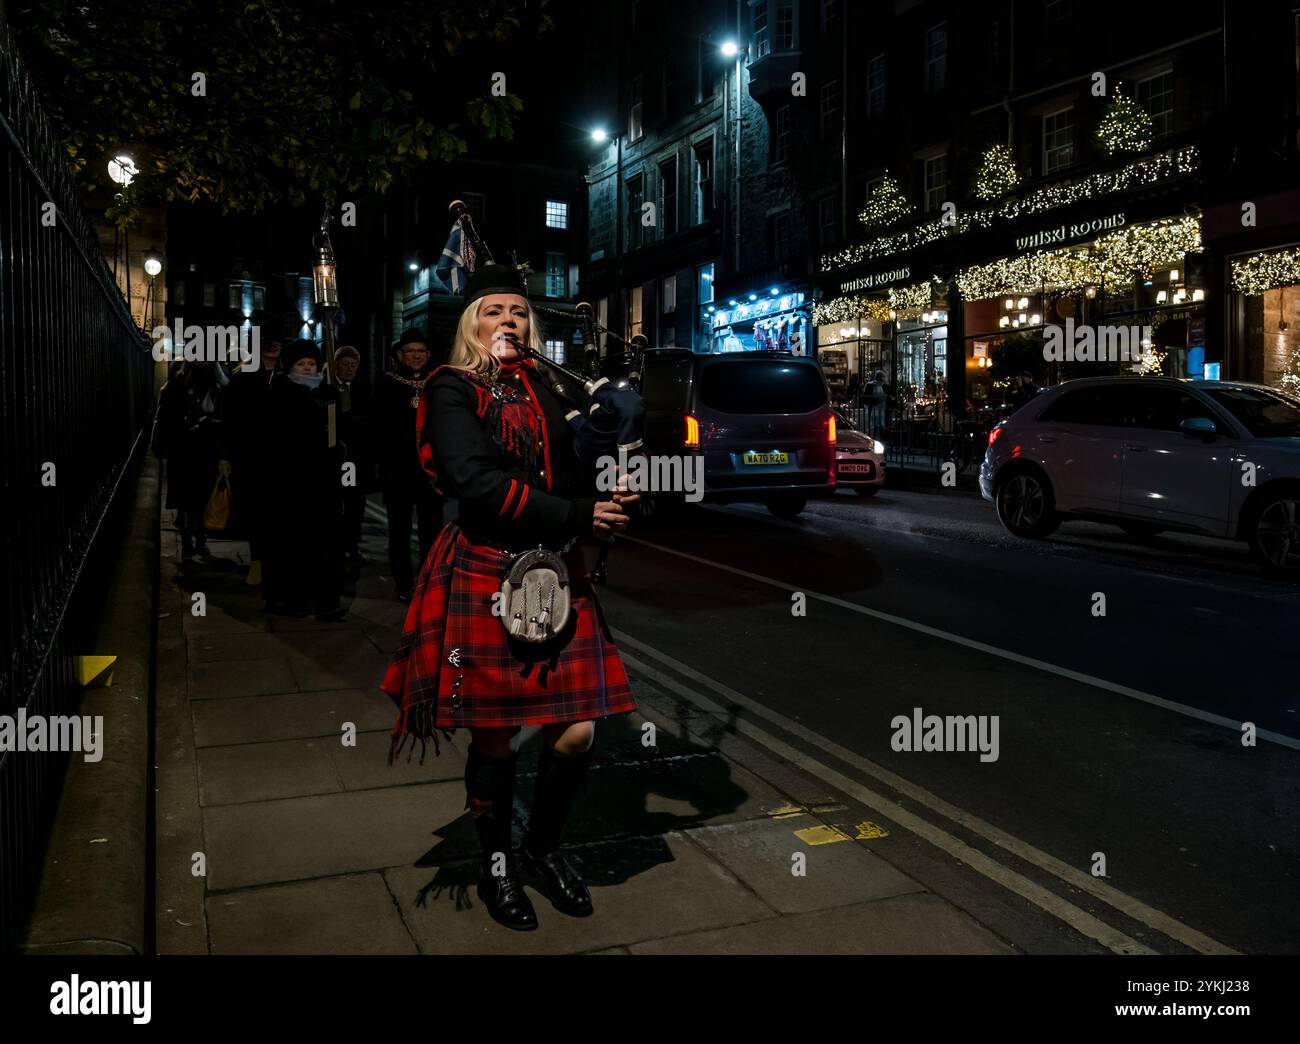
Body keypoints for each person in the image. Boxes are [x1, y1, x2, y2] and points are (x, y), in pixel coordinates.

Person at [380, 263, 639, 932]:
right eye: (493, 311)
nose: (508, 322)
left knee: (577, 732)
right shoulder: (449, 388)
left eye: (518, 313)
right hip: (486, 570)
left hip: (554, 570)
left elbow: (576, 466)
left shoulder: (545, 388)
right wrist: (578, 516)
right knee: (495, 739)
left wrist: (611, 474)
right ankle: (498, 869)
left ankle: (542, 849)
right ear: (472, 324)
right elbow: (474, 479)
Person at [261, 339, 345, 619]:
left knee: (325, 543)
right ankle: (290, 598)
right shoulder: (280, 392)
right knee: (291, 543)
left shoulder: (328, 393)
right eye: (302, 364)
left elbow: (336, 434)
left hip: (323, 481)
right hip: (291, 482)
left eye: (311, 363)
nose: (308, 368)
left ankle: (326, 600)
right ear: (290, 366)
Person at [375, 328, 444, 600]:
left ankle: (429, 581)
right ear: (400, 356)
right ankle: (403, 584)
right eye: (410, 351)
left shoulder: (438, 383)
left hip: (431, 472)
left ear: (428, 354)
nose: (415, 356)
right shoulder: (387, 384)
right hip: (398, 471)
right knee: (399, 532)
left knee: (432, 532)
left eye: (420, 351)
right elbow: (379, 428)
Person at [219, 337, 282, 585]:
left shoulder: (288, 375)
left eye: (277, 339)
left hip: (283, 456)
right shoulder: (243, 377)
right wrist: (225, 454)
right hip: (251, 456)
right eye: (268, 338)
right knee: (257, 512)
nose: (273, 344)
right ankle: (257, 561)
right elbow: (229, 418)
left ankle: (275, 561)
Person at [153, 359, 227, 562]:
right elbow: (169, 418)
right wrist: (192, 425)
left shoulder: (218, 381)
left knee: (201, 495)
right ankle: (189, 541)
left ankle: (198, 540)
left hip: (206, 448)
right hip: (185, 449)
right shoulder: (178, 382)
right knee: (188, 497)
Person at [333, 345, 370, 560]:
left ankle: (352, 543)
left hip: (356, 457)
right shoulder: (329, 387)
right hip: (337, 455)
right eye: (345, 364)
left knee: (355, 501)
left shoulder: (363, 389)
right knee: (338, 500)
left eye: (353, 365)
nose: (349, 369)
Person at [865, 369, 887, 437]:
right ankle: (876, 439)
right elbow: (876, 397)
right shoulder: (878, 386)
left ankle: (874, 438)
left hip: (873, 407)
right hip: (876, 407)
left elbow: (866, 397)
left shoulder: (871, 385)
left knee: (874, 425)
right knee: (877, 425)